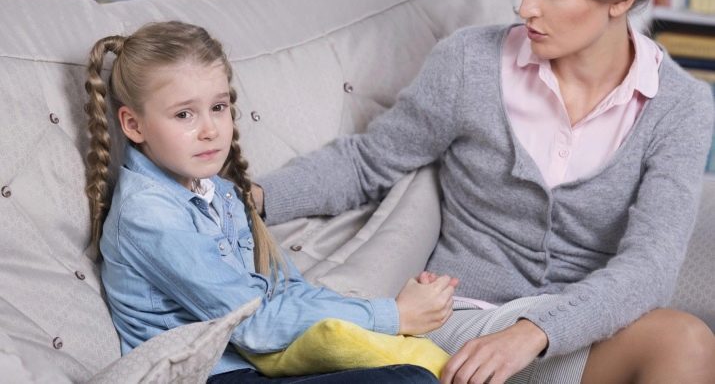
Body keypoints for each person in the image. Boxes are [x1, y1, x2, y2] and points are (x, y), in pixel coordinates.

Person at [251, 0, 715, 384]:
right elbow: (369, 161)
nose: (525, 7)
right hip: (463, 322)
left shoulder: (681, 106)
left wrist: (533, 331)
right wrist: (255, 196)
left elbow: (651, 264)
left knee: (685, 342)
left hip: (575, 332)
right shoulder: (470, 62)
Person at [83, 20, 459, 383]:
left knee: (418, 372)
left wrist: (388, 319)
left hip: (267, 366)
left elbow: (287, 290)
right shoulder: (149, 215)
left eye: (218, 107)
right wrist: (393, 315)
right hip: (212, 376)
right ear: (133, 125)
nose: (211, 130)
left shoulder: (221, 192)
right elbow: (254, 325)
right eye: (184, 114)